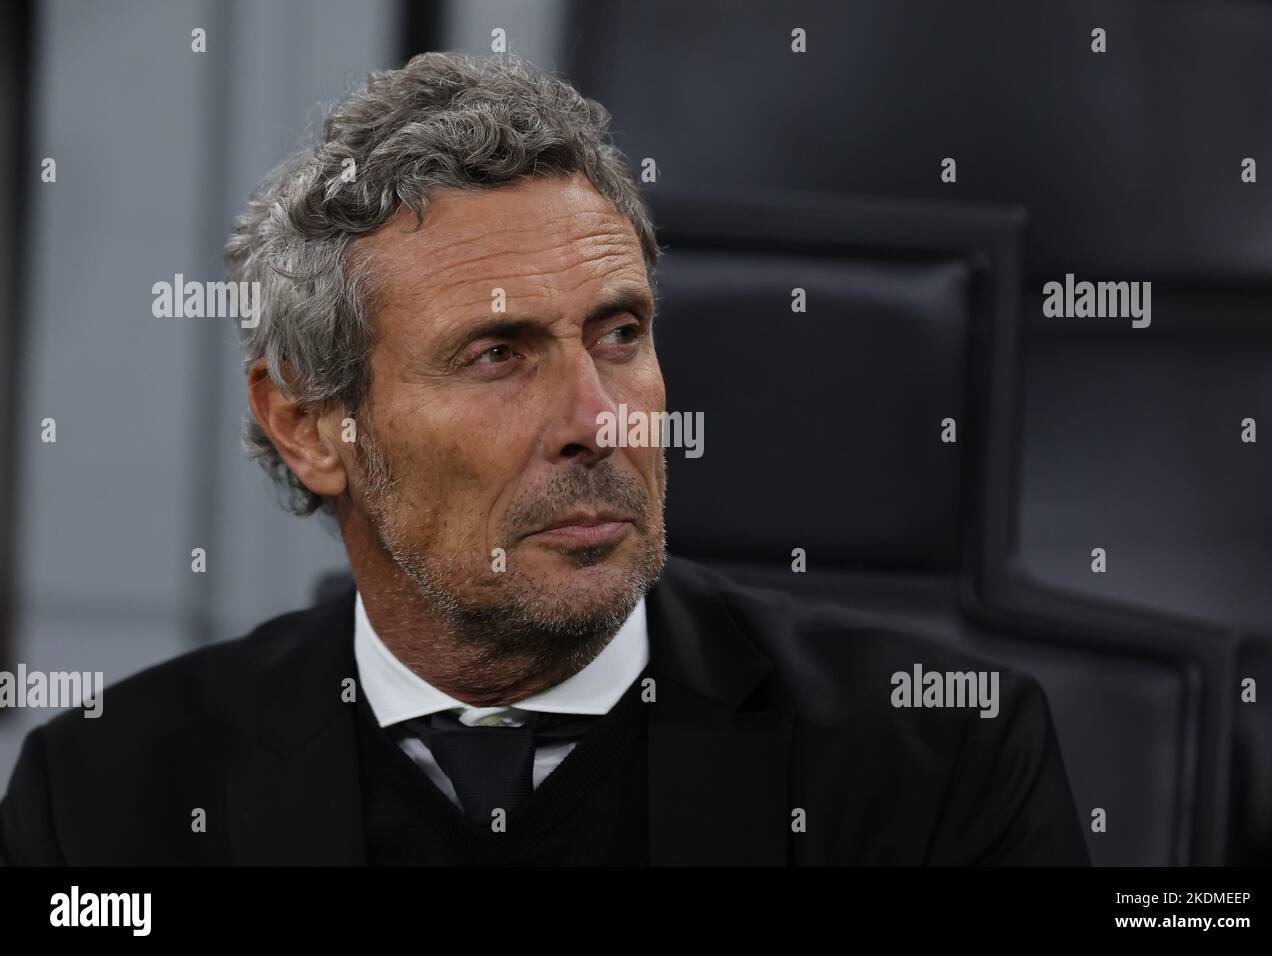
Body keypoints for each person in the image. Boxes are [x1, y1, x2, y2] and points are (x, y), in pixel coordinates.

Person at [0, 51, 1088, 866]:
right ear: (308, 426)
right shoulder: (111, 798)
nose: (599, 417)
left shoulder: (937, 759)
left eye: (619, 335)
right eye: (495, 354)